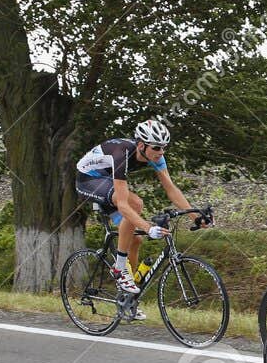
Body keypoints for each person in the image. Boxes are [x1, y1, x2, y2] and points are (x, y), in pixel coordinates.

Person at [74, 119, 211, 306]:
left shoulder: (156, 157)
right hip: (88, 180)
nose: (161, 152)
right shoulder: (121, 155)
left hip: (108, 183)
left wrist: (195, 216)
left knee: (135, 239)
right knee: (136, 203)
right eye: (156, 147)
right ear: (141, 145)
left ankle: (128, 300)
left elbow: (171, 189)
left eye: (164, 147)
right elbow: (123, 204)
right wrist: (148, 227)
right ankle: (119, 269)